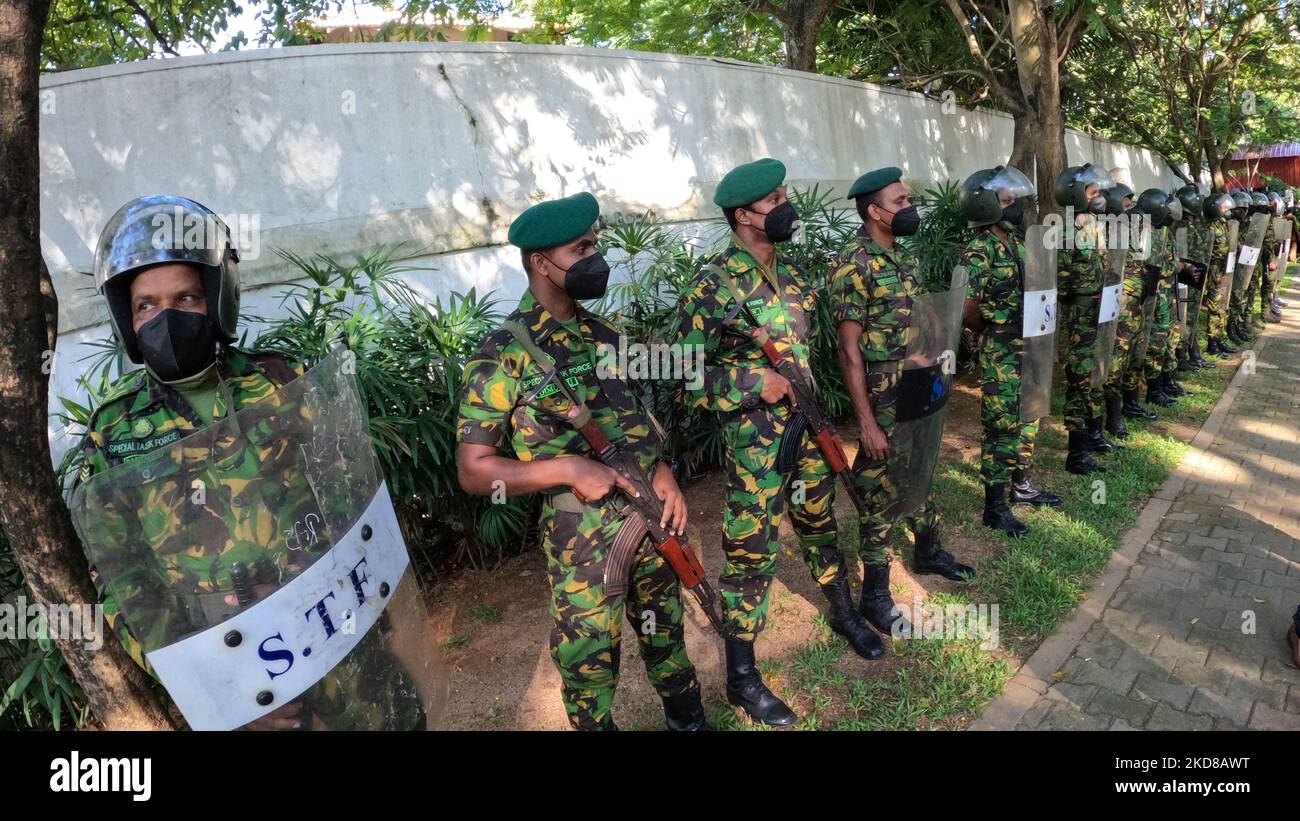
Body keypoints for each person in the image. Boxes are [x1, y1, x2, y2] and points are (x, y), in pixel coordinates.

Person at [75, 194, 427, 730]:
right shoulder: (115, 431)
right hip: (236, 662)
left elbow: (346, 497)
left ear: (218, 299)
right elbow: (123, 581)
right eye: (146, 305)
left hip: (335, 628)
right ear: (128, 317)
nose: (164, 318)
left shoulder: (276, 382)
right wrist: (219, 688)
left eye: (186, 298)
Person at [455, 192, 708, 731]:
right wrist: (567, 469)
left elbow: (637, 424)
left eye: (595, 244)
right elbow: (474, 469)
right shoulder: (503, 353)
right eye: (581, 248)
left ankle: (689, 721)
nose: (596, 258)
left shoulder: (604, 334)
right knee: (589, 660)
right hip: (582, 537)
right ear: (540, 264)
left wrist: (664, 473)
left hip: (649, 514)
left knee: (666, 632)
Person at [675, 158, 880, 726]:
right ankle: (742, 676)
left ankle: (842, 611)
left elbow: (806, 360)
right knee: (750, 549)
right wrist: (752, 382)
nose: (787, 204)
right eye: (776, 199)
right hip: (756, 447)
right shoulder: (714, 284)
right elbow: (685, 377)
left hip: (808, 428)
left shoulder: (789, 276)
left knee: (820, 520)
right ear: (744, 215)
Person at [829, 166, 975, 636]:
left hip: (915, 387)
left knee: (922, 467)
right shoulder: (854, 263)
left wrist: (925, 354)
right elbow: (849, 350)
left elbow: (908, 322)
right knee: (878, 491)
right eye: (901, 202)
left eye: (909, 199)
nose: (910, 208)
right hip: (882, 401)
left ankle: (927, 550)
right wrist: (866, 423)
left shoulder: (904, 258)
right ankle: (874, 593)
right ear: (875, 212)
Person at [959, 165, 1061, 538]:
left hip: (1029, 345)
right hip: (1000, 352)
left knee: (1029, 415)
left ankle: (1022, 486)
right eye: (1006, 201)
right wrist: (997, 324)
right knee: (1000, 426)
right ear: (987, 206)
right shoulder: (978, 251)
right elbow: (967, 309)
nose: (1015, 207)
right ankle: (994, 505)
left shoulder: (1019, 244)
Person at [1053, 164, 1118, 475]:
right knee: (1078, 380)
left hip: (1096, 311)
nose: (1099, 197)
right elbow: (1060, 282)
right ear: (1075, 194)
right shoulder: (1065, 229)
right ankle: (1076, 453)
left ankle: (1093, 435)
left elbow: (1101, 265)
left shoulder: (1092, 224)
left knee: (1092, 374)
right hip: (1078, 316)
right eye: (1093, 193)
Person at [1200, 192, 1235, 358]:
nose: (1226, 208)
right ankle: (1212, 342)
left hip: (1224, 270)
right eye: (1223, 205)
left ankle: (1219, 337)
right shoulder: (1208, 226)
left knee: (1222, 306)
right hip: (1214, 271)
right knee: (1215, 306)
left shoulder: (1223, 223)